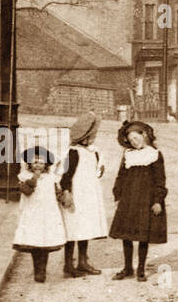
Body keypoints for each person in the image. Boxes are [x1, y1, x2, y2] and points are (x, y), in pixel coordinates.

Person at [109, 120, 167, 282]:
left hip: (146, 201)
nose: (135, 142)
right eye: (131, 140)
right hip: (128, 200)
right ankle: (128, 268)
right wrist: (118, 196)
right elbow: (120, 177)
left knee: (143, 236)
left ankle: (140, 269)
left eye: (137, 137)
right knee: (126, 235)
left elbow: (160, 180)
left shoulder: (154, 154)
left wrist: (157, 200)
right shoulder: (128, 155)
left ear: (144, 135)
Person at [58, 112, 108, 277]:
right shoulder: (73, 153)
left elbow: (96, 171)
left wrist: (100, 170)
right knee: (72, 228)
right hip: (75, 195)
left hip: (89, 195)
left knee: (84, 228)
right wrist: (66, 192)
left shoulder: (93, 152)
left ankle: (83, 261)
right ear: (84, 137)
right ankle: (68, 264)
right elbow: (66, 175)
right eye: (91, 136)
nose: (93, 139)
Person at [14, 146, 67, 283]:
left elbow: (57, 192)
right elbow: (26, 191)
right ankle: (37, 269)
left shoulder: (51, 178)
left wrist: (63, 197)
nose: (38, 165)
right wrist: (34, 178)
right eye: (35, 162)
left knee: (45, 242)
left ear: (46, 165)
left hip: (48, 213)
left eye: (41, 162)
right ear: (30, 164)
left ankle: (42, 269)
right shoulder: (24, 177)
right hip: (32, 213)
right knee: (34, 242)